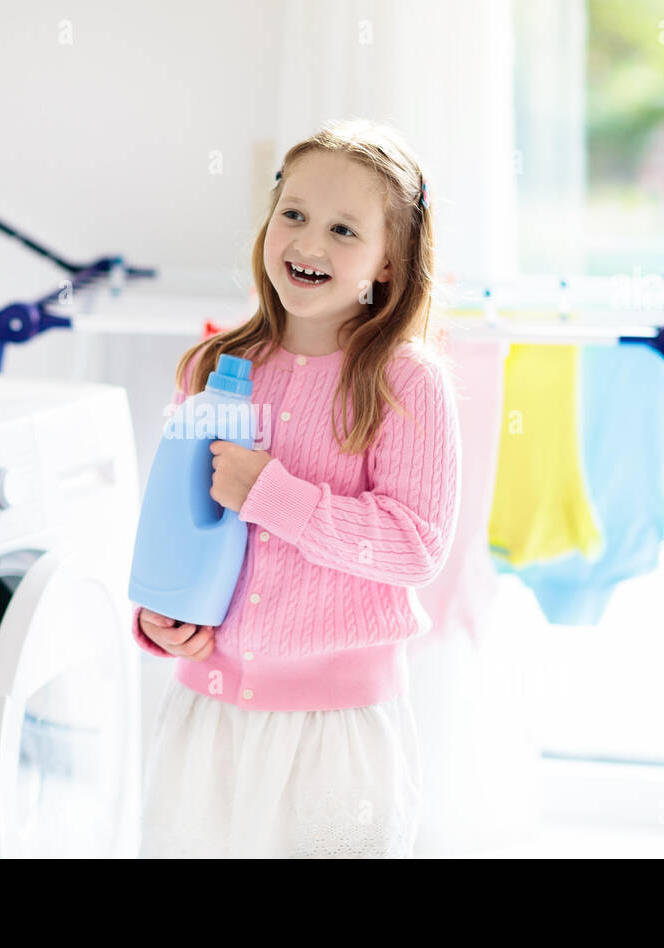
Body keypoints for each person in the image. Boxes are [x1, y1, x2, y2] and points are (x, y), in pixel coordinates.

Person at [132, 118, 463, 858]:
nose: (310, 244)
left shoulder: (406, 382)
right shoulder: (214, 364)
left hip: (336, 731)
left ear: (388, 262)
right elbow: (179, 525)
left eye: (345, 230)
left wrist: (274, 495)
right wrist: (165, 616)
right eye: (295, 215)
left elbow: (416, 544)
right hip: (208, 714)